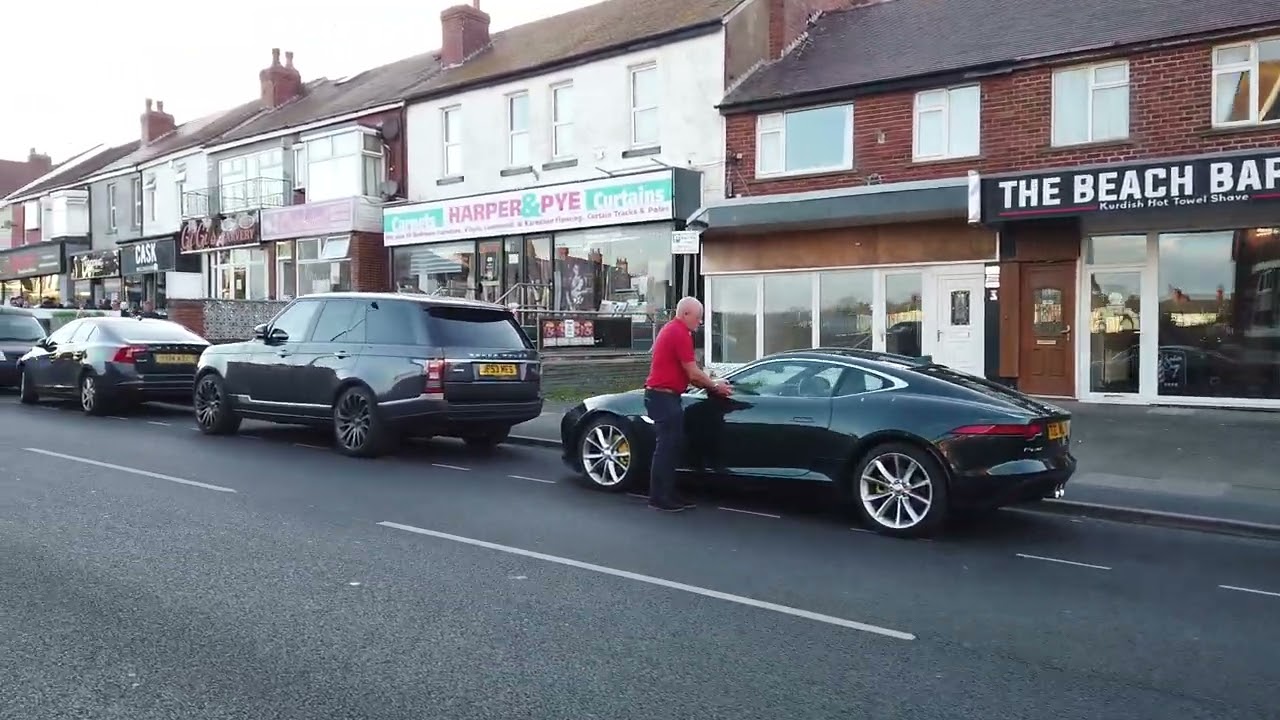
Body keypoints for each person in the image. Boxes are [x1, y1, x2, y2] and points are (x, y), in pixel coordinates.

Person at [643, 296, 730, 512]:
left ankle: (668, 493)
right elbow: (693, 374)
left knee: (672, 446)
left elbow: (691, 371)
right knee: (667, 447)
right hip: (662, 397)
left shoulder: (674, 330)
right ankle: (659, 498)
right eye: (698, 318)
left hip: (665, 396)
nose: (700, 323)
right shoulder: (679, 332)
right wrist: (715, 387)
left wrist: (710, 380)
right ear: (685, 314)